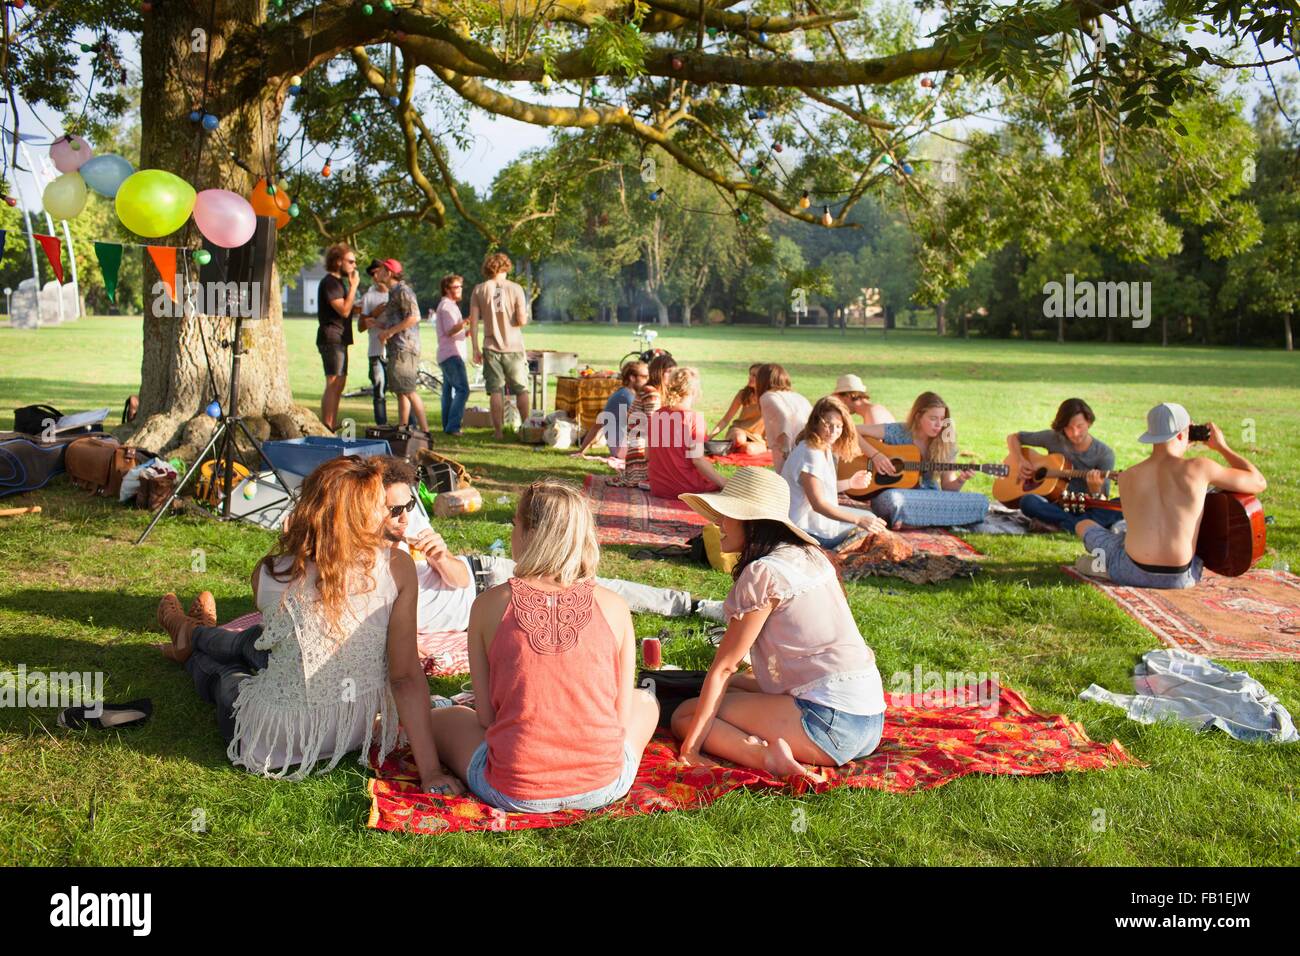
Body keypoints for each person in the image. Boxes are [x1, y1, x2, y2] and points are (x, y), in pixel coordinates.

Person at [153, 456, 463, 795]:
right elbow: (404, 676)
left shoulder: (270, 571)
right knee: (256, 642)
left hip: (275, 739)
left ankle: (190, 635)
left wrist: (297, 544)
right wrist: (430, 772)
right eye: (381, 506)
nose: (392, 517)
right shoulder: (398, 567)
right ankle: (193, 632)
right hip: (354, 729)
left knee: (227, 676)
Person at [422, 479, 661, 811]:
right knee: (645, 701)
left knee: (444, 719)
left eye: (515, 524)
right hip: (604, 785)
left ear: (529, 533)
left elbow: (487, 718)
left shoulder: (488, 605)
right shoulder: (615, 606)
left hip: (513, 790)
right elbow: (620, 718)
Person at [673, 467, 887, 781]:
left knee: (686, 714)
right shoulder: (811, 555)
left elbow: (724, 668)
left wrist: (690, 750)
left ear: (751, 522)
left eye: (726, 514)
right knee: (729, 691)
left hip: (830, 726)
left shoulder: (763, 573)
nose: (718, 522)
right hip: (870, 721)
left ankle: (765, 756)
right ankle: (770, 747)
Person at [376, 457, 720, 626]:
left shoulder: (406, 519)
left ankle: (693, 606)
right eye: (396, 510)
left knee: (596, 589)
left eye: (409, 505)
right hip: (494, 606)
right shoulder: (361, 566)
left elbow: (458, 579)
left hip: (486, 575)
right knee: (583, 605)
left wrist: (439, 555)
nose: (406, 516)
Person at [1073, 403, 1266, 589]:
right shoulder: (1200, 468)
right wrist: (1222, 447)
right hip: (1182, 577)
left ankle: (1101, 566)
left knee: (1084, 525)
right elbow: (1258, 482)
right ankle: (1103, 565)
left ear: (1151, 436)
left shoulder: (1127, 476)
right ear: (1184, 433)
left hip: (1130, 571)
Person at [856, 391, 989, 528]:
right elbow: (852, 430)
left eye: (942, 419)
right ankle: (931, 520)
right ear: (918, 416)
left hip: (929, 495)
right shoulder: (898, 431)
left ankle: (910, 521)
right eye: (933, 418)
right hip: (892, 494)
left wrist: (961, 479)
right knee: (894, 500)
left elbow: (948, 488)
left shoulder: (946, 443)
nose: (939, 424)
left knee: (981, 502)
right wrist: (875, 455)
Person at [781, 397, 886, 549]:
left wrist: (851, 483)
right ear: (816, 422)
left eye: (839, 426)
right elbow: (819, 504)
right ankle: (830, 555)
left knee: (871, 519)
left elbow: (819, 488)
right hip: (803, 531)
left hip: (815, 523)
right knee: (869, 530)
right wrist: (858, 520)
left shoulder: (822, 446)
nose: (833, 431)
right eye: (828, 425)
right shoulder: (811, 453)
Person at [1006, 398, 1121, 533]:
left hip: (1086, 507)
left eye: (1079, 426)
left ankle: (1060, 526)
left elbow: (1102, 501)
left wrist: (1095, 490)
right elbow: (1013, 437)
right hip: (1054, 505)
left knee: (1122, 504)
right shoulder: (1053, 437)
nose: (1075, 433)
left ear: (1089, 422)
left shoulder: (1104, 454)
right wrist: (1020, 460)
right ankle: (1080, 525)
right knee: (1027, 501)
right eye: (1068, 427)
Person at [468, 252, 530, 439]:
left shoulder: (479, 289)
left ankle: (498, 432)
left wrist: (475, 348)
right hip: (514, 347)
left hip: (490, 346)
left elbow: (473, 321)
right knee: (521, 389)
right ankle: (526, 430)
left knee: (495, 390)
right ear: (507, 267)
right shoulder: (516, 288)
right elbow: (521, 320)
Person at [647, 367, 725, 499]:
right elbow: (698, 460)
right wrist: (724, 483)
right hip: (686, 489)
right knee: (723, 482)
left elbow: (647, 455)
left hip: (658, 488)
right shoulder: (694, 419)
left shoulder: (656, 415)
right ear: (694, 390)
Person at [371, 259, 429, 434]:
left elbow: (414, 317)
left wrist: (389, 333)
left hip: (405, 349)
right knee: (401, 391)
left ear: (389, 273)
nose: (377, 273)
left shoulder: (404, 291)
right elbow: (395, 319)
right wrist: (374, 322)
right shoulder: (393, 293)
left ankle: (426, 433)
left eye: (380, 269)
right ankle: (403, 429)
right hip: (397, 349)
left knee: (409, 390)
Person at [614, 352, 676, 488]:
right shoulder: (651, 392)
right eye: (669, 371)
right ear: (659, 372)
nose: (673, 375)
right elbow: (653, 424)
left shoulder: (656, 391)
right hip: (641, 446)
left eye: (674, 372)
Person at [316, 243, 358, 433]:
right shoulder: (330, 283)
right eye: (350, 261)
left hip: (341, 338)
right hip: (331, 337)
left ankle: (331, 423)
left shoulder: (338, 283)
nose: (354, 265)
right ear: (338, 261)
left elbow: (349, 308)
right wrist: (354, 287)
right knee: (333, 382)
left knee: (340, 382)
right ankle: (328, 424)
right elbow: (344, 309)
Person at [575, 360, 647, 458]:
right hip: (624, 450)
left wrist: (581, 450)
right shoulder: (625, 397)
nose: (648, 380)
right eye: (644, 377)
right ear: (632, 378)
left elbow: (597, 425)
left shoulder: (625, 394)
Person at [756, 363, 813, 474]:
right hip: (808, 442)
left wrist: (785, 447)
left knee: (785, 478)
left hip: (786, 443)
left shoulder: (767, 396)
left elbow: (784, 417)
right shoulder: (798, 396)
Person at [356, 259, 391, 427]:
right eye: (372, 274)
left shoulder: (396, 293)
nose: (376, 276)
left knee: (401, 390)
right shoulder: (370, 296)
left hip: (393, 350)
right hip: (375, 351)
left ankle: (408, 424)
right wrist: (373, 313)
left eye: (378, 272)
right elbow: (360, 327)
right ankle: (381, 426)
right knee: (379, 389)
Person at [434, 274, 471, 436]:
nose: (460, 290)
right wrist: (467, 321)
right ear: (447, 289)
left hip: (447, 354)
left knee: (448, 393)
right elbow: (450, 330)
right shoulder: (447, 306)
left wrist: (466, 331)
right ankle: (453, 426)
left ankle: (447, 425)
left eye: (460, 287)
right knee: (463, 390)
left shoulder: (448, 305)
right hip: (451, 355)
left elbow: (453, 331)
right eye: (456, 287)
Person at [708, 364, 767, 454]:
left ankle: (727, 448)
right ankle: (729, 446)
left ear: (763, 379)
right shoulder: (743, 394)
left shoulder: (769, 398)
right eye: (750, 374)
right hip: (739, 430)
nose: (750, 377)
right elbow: (725, 420)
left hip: (757, 437)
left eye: (754, 375)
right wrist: (709, 437)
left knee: (749, 450)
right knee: (739, 439)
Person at [831, 373, 895, 450]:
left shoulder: (873, 411)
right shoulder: (874, 410)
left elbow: (877, 446)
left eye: (839, 399)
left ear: (848, 396)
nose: (839, 404)